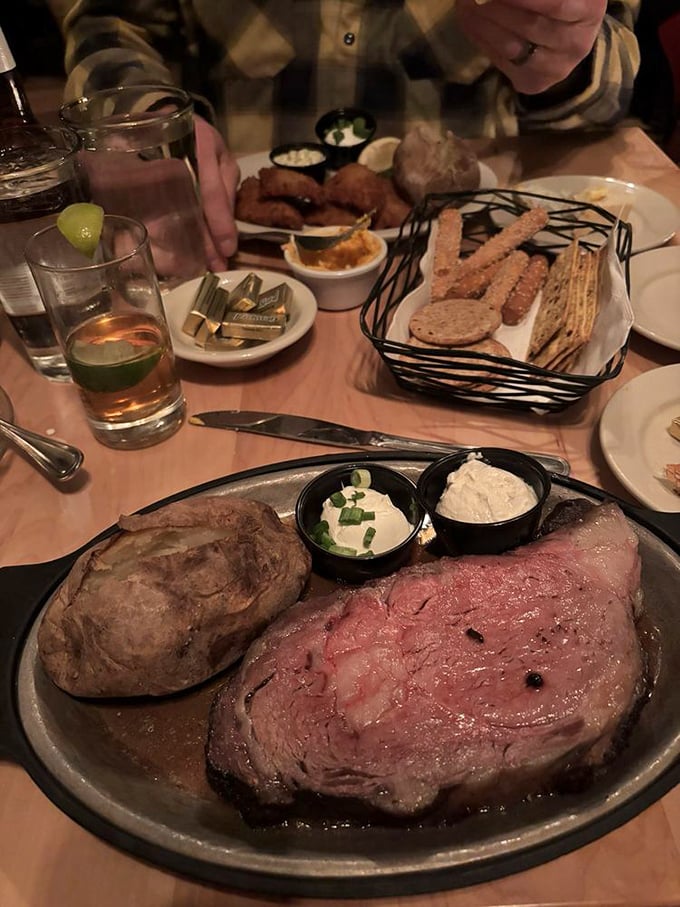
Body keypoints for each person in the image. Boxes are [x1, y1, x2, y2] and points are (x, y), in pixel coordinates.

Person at [48, 0, 641, 270]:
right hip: (235, 256)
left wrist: (564, 57)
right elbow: (107, 22)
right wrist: (148, 119)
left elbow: (613, 83)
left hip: (461, 252)